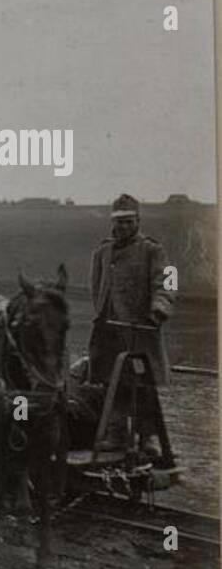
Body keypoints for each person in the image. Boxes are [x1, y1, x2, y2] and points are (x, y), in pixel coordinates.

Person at [88, 193, 174, 452]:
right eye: (118, 222)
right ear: (112, 222)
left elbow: (169, 282)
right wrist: (102, 313)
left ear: (137, 221)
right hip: (108, 330)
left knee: (142, 384)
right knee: (110, 383)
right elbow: (95, 284)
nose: (123, 226)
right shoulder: (102, 251)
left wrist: (159, 309)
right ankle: (116, 435)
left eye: (128, 221)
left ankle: (147, 438)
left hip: (140, 330)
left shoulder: (153, 250)